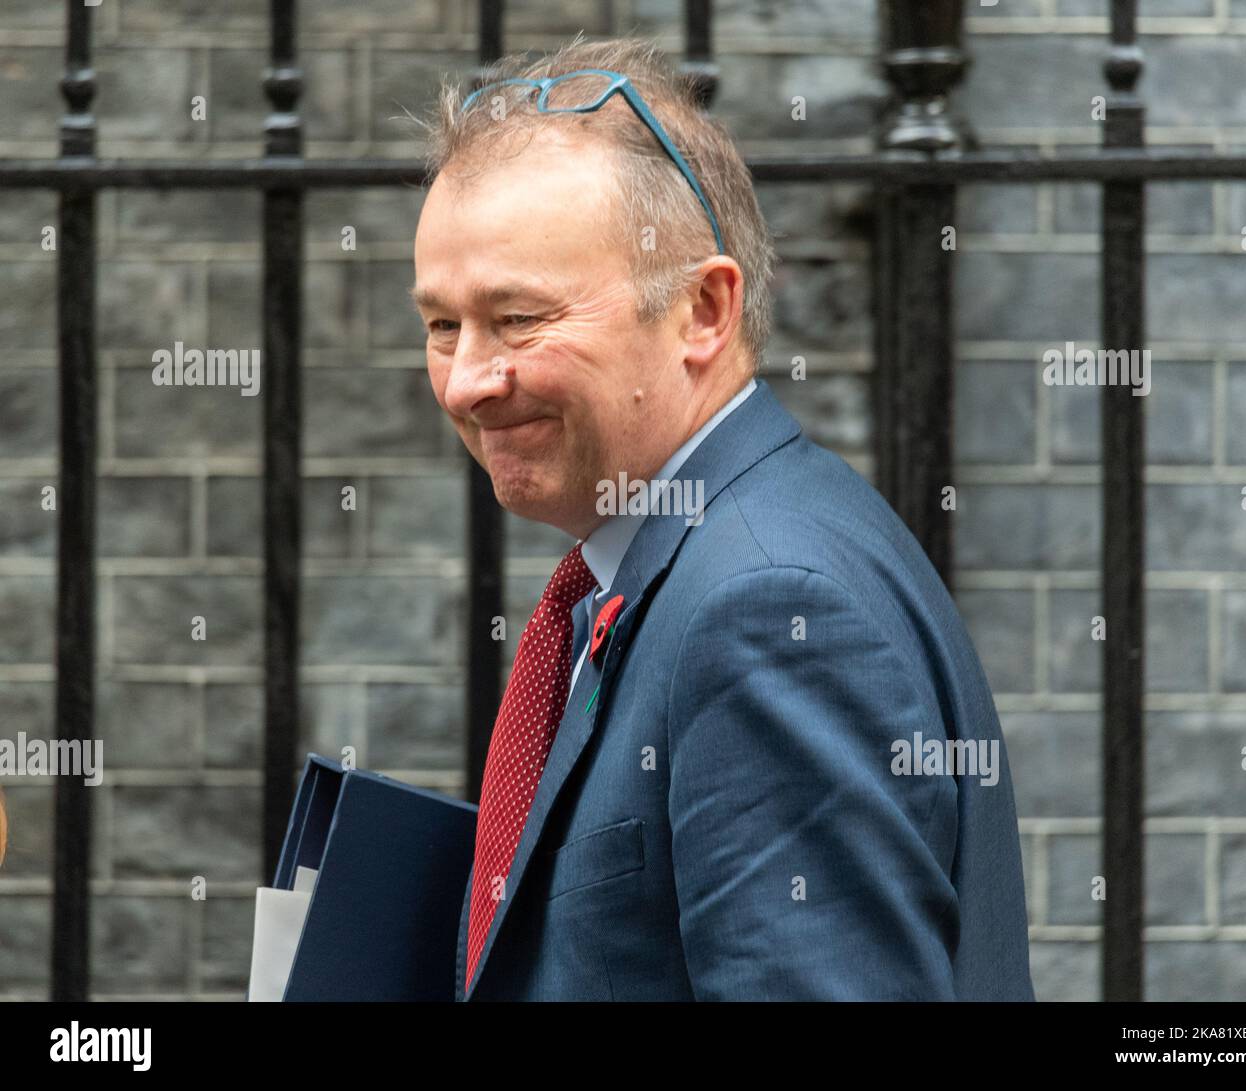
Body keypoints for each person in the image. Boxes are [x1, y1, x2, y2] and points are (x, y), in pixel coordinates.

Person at [411, 35, 1034, 1001]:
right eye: (443, 325)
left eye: (520, 318)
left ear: (703, 309)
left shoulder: (770, 610)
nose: (469, 380)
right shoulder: (683, 560)